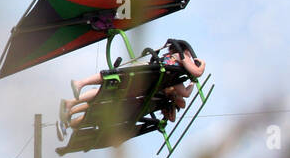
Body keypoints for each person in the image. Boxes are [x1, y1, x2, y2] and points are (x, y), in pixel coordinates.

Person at [59, 39, 205, 132]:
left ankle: (71, 105)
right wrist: (201, 66)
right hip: (140, 82)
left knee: (105, 93)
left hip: (140, 85)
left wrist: (191, 83)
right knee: (109, 86)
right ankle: (76, 94)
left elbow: (184, 95)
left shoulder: (173, 75)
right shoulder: (181, 56)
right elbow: (197, 72)